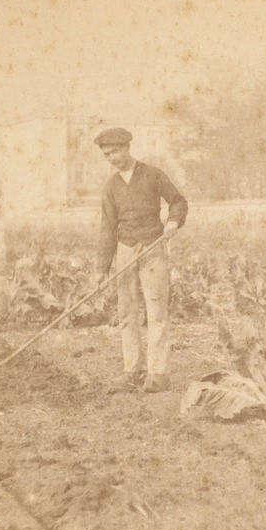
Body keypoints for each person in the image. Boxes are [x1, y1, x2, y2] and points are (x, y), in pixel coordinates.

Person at [94, 127, 188, 393]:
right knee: (126, 313)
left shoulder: (152, 175)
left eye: (114, 152)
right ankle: (131, 371)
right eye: (106, 154)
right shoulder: (110, 187)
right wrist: (101, 269)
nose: (111, 158)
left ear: (126, 147)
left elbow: (179, 201)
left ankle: (158, 373)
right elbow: (107, 229)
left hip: (153, 247)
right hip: (125, 249)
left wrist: (172, 221)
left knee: (156, 310)